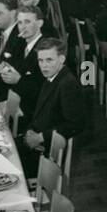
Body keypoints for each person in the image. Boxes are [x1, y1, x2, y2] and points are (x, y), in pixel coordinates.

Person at [19, 37, 88, 177]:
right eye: (40, 60)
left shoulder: (67, 84)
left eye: (49, 60)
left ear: (62, 59)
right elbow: (40, 114)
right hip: (38, 141)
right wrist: (30, 131)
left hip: (47, 153)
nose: (44, 66)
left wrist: (40, 137)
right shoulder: (52, 77)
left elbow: (76, 124)